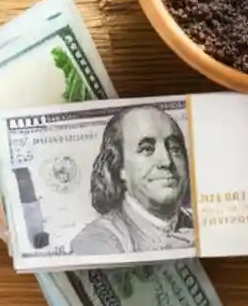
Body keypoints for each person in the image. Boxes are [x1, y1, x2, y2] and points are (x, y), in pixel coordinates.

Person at [70, 105, 194, 255]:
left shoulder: (204, 226)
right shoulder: (95, 240)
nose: (167, 161)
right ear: (118, 166)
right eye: (147, 149)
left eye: (174, 149)